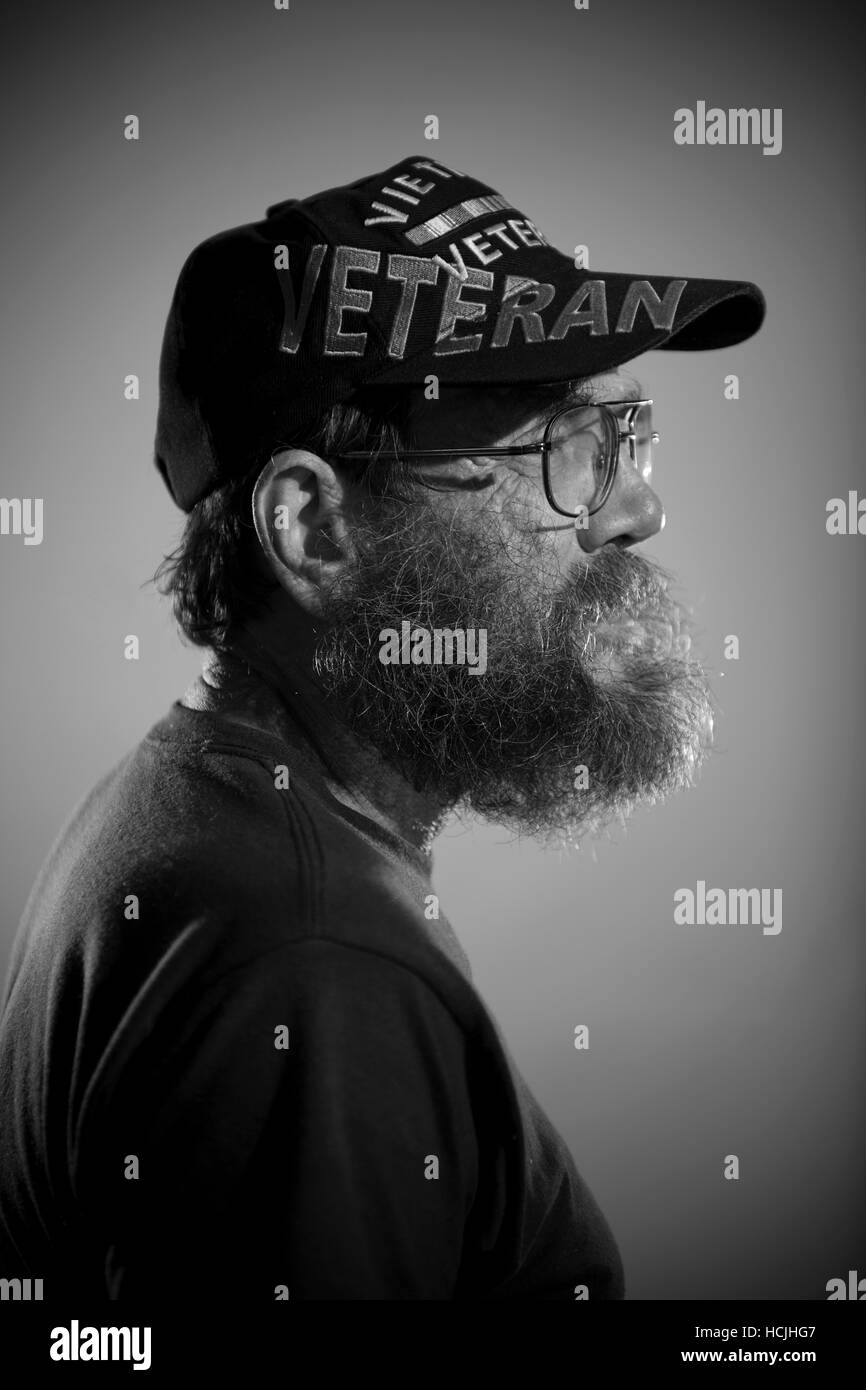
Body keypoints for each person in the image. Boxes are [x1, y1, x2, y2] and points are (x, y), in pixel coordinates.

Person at [0, 155, 765, 1301]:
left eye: (625, 433)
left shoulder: (199, 812)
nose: (635, 507)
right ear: (314, 530)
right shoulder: (312, 961)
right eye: (562, 445)